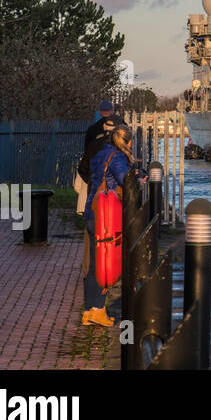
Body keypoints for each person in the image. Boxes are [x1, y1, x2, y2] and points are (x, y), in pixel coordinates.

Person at [82, 124, 134, 328]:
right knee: (106, 260)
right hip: (106, 215)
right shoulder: (118, 158)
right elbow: (124, 181)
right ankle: (98, 310)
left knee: (93, 263)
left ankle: (88, 311)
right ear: (128, 141)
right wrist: (138, 177)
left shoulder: (101, 153)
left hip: (92, 210)